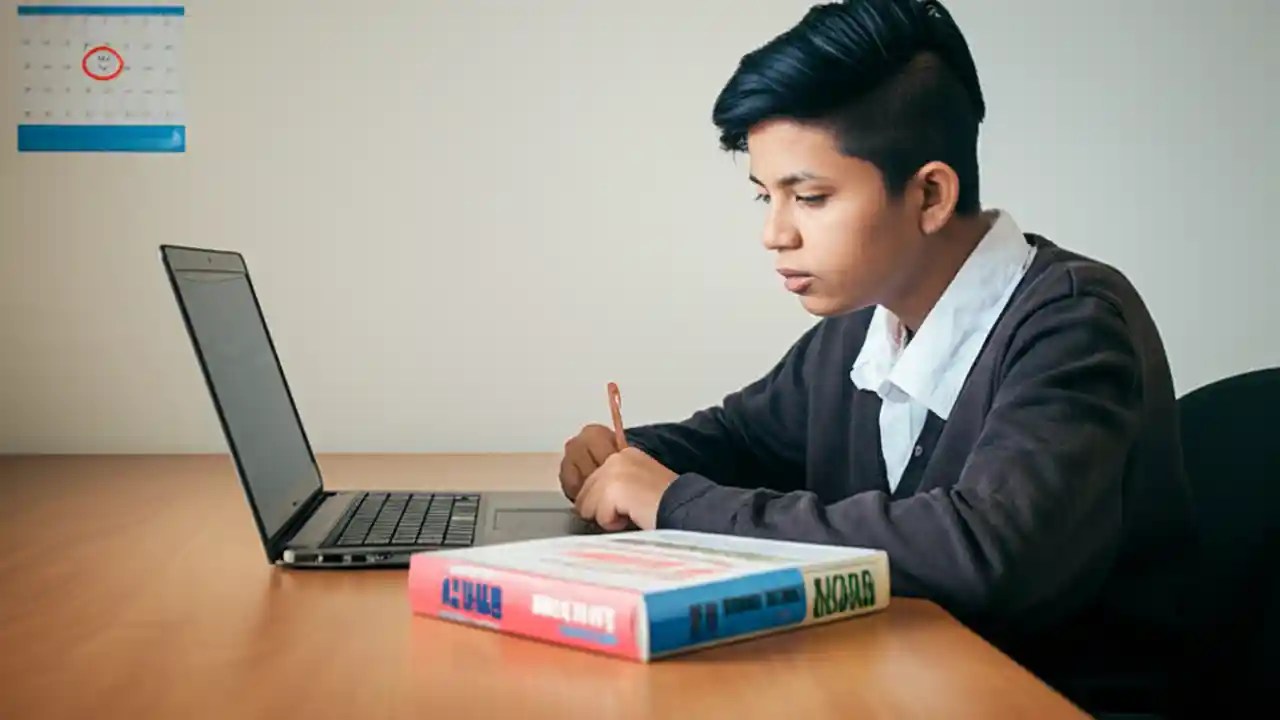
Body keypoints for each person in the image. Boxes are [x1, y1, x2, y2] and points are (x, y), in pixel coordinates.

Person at [558, 0, 1196, 709]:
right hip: (899, 691)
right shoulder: (866, 327)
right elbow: (740, 439)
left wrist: (674, 502)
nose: (775, 233)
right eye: (764, 196)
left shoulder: (1073, 325)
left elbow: (987, 552)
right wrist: (624, 457)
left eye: (810, 197)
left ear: (929, 194)